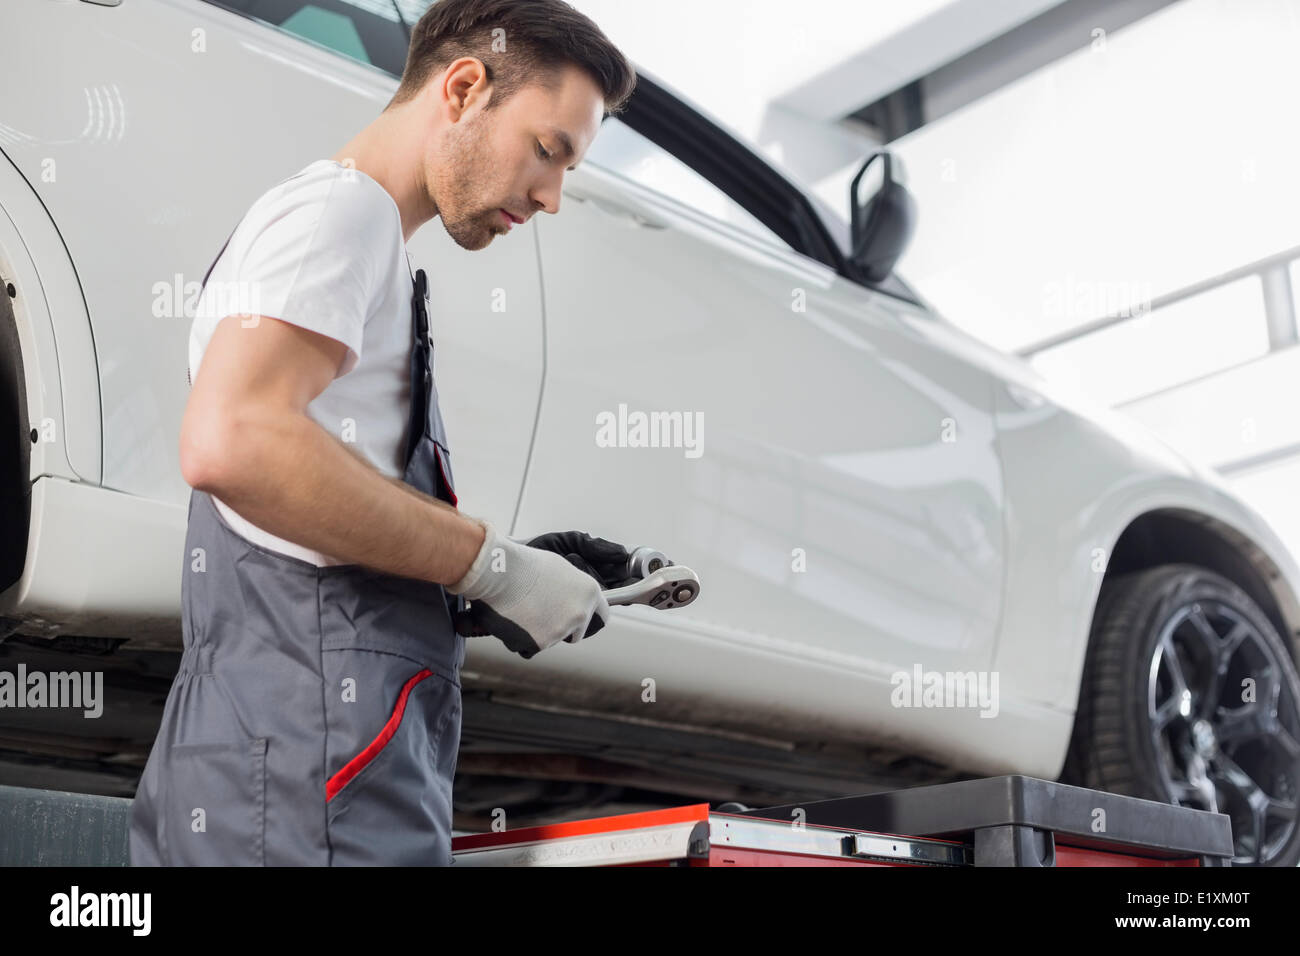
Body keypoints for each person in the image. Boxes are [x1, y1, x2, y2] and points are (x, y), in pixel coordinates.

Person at [128, 0, 637, 866]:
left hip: (303, 754)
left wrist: (492, 584)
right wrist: (492, 563)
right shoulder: (340, 215)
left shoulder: (366, 241)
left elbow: (311, 516)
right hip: (309, 764)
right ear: (466, 87)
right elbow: (234, 441)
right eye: (549, 151)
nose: (552, 196)